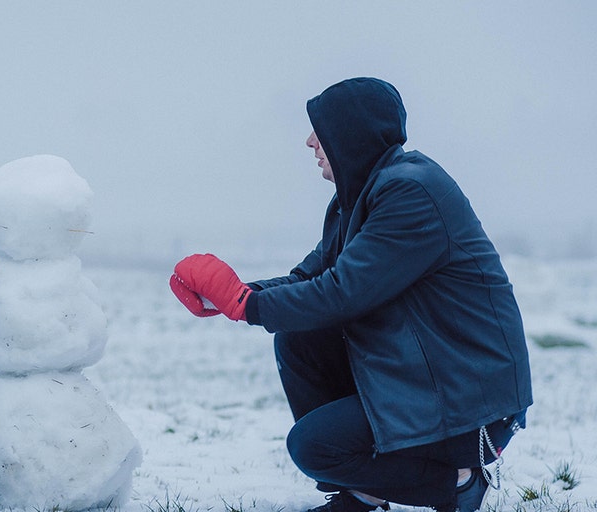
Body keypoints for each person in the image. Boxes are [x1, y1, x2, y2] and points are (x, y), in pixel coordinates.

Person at [169, 78, 532, 512]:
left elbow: (341, 294)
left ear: (350, 133)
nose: (309, 143)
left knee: (314, 449)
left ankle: (457, 482)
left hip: (473, 408)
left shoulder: (411, 192)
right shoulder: (359, 200)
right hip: (424, 381)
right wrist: (231, 294)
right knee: (298, 339)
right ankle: (366, 491)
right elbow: (309, 279)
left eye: (319, 131)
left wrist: (247, 305)